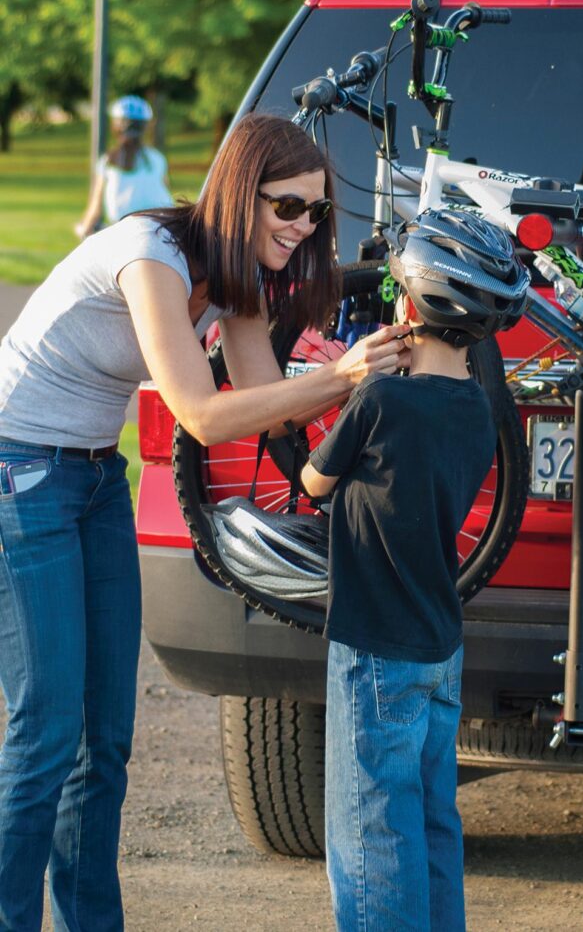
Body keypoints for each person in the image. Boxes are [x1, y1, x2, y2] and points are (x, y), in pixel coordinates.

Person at [0, 112, 411, 931]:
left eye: (317, 213)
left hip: (88, 478)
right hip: (19, 473)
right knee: (46, 729)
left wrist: (356, 415)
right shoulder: (149, 256)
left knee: (104, 740)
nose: (302, 227)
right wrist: (341, 381)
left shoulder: (238, 282)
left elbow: (265, 411)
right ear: (239, 192)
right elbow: (201, 414)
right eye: (286, 207)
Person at [300, 209, 529, 931]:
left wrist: (346, 380)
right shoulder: (479, 407)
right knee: (433, 821)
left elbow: (312, 482)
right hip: (438, 645)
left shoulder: (379, 397)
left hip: (374, 646)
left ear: (407, 307)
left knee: (371, 832)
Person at [74, 95, 174, 239]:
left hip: (125, 228)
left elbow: (95, 208)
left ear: (116, 125)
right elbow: (165, 191)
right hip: (164, 225)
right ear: (145, 126)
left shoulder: (108, 162)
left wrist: (84, 229)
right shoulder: (157, 159)